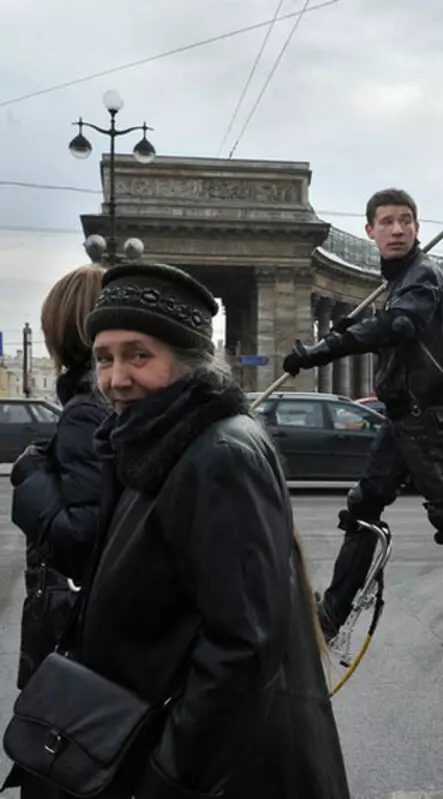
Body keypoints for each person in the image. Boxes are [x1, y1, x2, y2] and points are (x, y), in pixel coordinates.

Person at [8, 263, 350, 797]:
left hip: (219, 775)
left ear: (188, 360)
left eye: (138, 355)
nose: (117, 378)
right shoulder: (154, 442)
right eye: (104, 358)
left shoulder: (216, 455)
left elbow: (241, 649)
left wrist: (171, 775)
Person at [283, 188, 443, 666]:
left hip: (424, 417)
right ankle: (332, 614)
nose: (396, 229)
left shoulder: (422, 278)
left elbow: (400, 327)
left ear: (416, 228)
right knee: (363, 507)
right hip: (400, 418)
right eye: (386, 222)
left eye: (405, 221)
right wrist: (353, 325)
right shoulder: (401, 280)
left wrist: (322, 349)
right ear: (370, 230)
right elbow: (390, 326)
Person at [6, 265, 108, 799]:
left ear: (62, 332)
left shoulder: (85, 412)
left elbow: (79, 540)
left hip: (76, 644)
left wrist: (31, 480)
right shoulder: (113, 405)